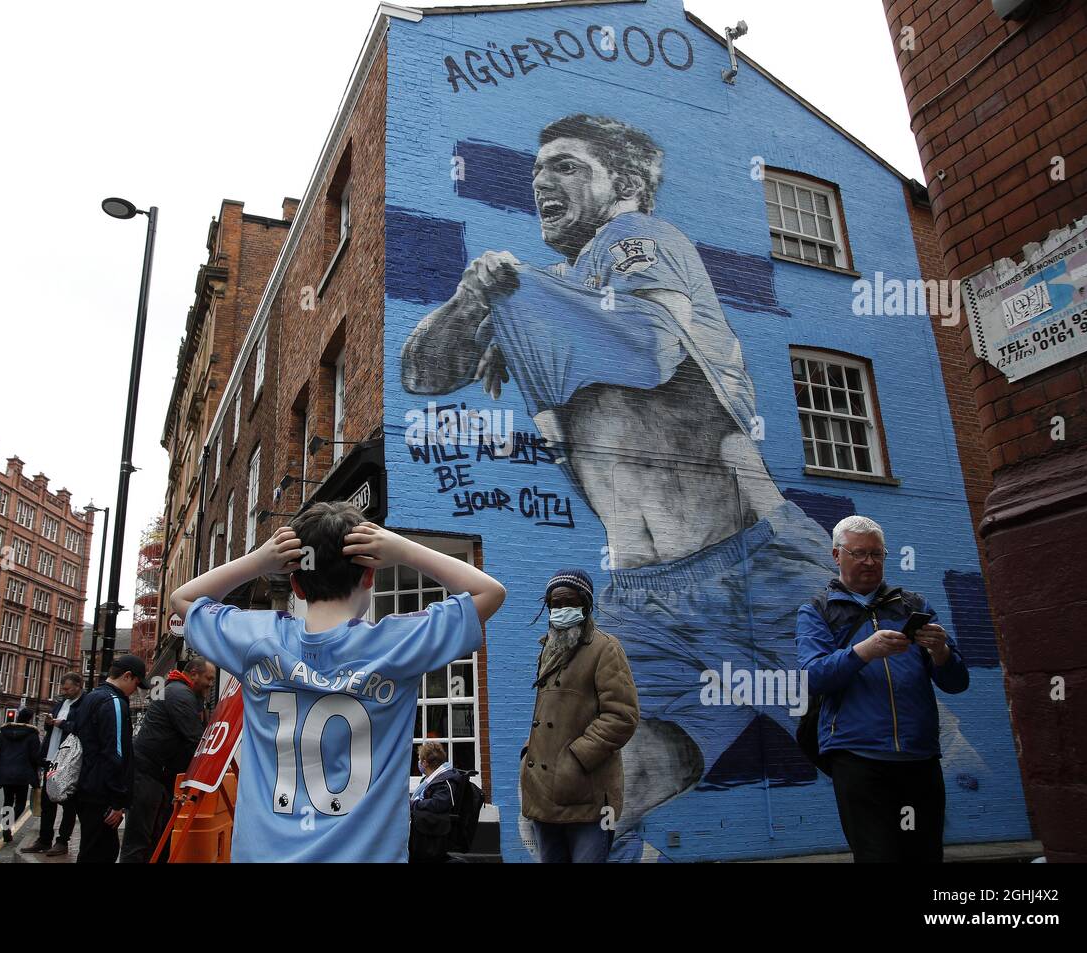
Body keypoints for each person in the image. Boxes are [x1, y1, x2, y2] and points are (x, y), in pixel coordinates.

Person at [401, 114, 837, 849]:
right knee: (568, 800)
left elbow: (649, 347)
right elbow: (422, 372)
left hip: (755, 572)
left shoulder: (642, 244)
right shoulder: (546, 294)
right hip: (645, 605)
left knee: (890, 741)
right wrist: (476, 298)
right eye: (539, 170)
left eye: (566, 166)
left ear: (626, 183)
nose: (543, 181)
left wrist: (528, 303)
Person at [170, 503, 506, 862]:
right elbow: (490, 592)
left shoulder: (257, 637)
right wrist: (403, 548)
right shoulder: (397, 644)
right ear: (369, 577)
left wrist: (259, 562)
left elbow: (183, 599)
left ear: (296, 585)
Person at [795, 515, 970, 862]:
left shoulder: (914, 605)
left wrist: (940, 651)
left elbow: (957, 682)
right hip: (858, 759)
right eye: (859, 554)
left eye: (877, 554)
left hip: (920, 759)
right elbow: (812, 676)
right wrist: (864, 651)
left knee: (925, 856)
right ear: (836, 555)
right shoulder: (817, 609)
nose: (870, 562)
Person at [519, 569, 638, 863]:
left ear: (585, 604)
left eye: (568, 603)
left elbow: (622, 716)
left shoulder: (605, 648)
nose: (560, 611)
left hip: (588, 796)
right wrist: (528, 754)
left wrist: (575, 758)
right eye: (554, 605)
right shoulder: (548, 648)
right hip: (544, 793)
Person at [119, 657, 216, 863]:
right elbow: (195, 738)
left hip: (158, 776)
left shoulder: (181, 692)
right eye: (209, 678)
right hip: (149, 775)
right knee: (140, 840)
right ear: (193, 674)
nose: (211, 684)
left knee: (156, 837)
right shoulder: (179, 694)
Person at [69, 655, 143, 864]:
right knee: (103, 852)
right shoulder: (115, 703)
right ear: (128, 676)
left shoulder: (90, 698)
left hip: (86, 788)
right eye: (136, 684)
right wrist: (118, 801)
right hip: (103, 795)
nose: (135, 691)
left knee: (91, 849)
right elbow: (116, 753)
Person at [22, 672, 84, 856]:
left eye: (67, 688)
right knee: (47, 802)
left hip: (68, 761)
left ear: (79, 685)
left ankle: (62, 841)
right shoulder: (61, 704)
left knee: (68, 802)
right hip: (51, 758)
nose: (64, 692)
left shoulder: (83, 705)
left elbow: (81, 728)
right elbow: (52, 730)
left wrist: (62, 723)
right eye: (62, 688)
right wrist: (50, 723)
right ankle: (44, 839)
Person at [0, 707, 42, 842]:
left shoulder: (3, 733)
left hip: (4, 773)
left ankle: (6, 827)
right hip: (23, 774)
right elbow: (35, 757)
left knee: (8, 801)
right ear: (29, 719)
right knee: (21, 803)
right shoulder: (32, 735)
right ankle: (8, 826)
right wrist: (37, 775)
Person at [408, 740, 464, 863]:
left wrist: (413, 804)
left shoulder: (445, 780)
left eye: (419, 759)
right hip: (425, 825)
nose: (418, 763)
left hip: (430, 831)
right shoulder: (430, 779)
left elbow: (439, 803)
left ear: (424, 763)